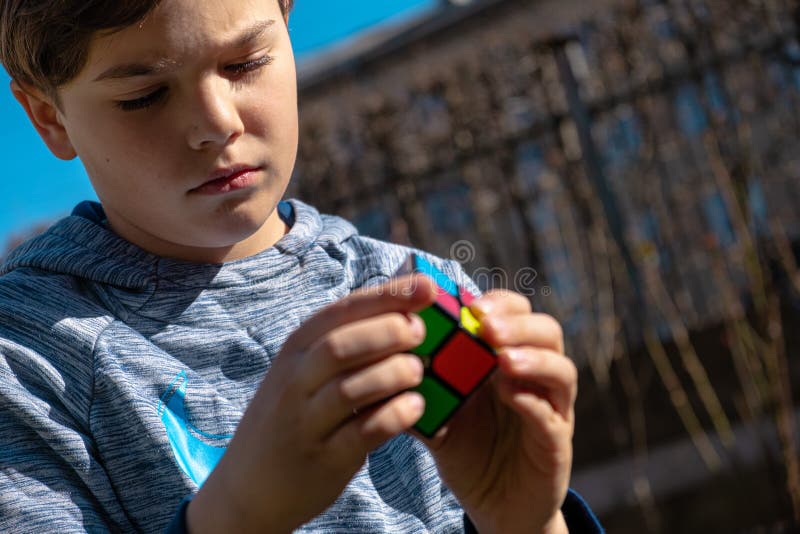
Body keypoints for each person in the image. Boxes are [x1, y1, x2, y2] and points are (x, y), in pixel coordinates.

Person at [0, 0, 603, 532]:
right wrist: (237, 516)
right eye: (144, 96)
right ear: (48, 117)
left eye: (244, 63)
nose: (216, 124)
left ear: (287, 21)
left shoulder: (420, 295)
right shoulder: (26, 360)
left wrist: (525, 522)